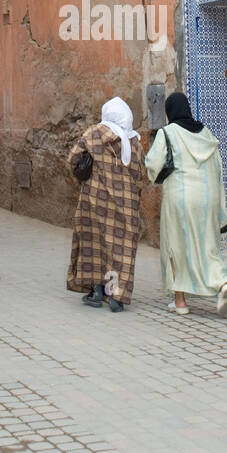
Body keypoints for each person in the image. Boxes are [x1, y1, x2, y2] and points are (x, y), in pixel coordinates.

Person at [146, 91, 227, 317]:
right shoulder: (206, 132)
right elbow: (217, 168)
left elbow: (154, 164)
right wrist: (219, 207)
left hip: (180, 198)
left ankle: (181, 302)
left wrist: (155, 177)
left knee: (177, 246)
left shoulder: (167, 133)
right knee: (208, 245)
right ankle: (222, 283)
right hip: (207, 197)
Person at [66, 96, 144, 313]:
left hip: (94, 199)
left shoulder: (93, 134)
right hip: (126, 204)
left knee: (95, 245)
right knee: (119, 249)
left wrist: (83, 177)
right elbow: (140, 174)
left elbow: (73, 159)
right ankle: (116, 295)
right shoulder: (134, 142)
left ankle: (98, 290)